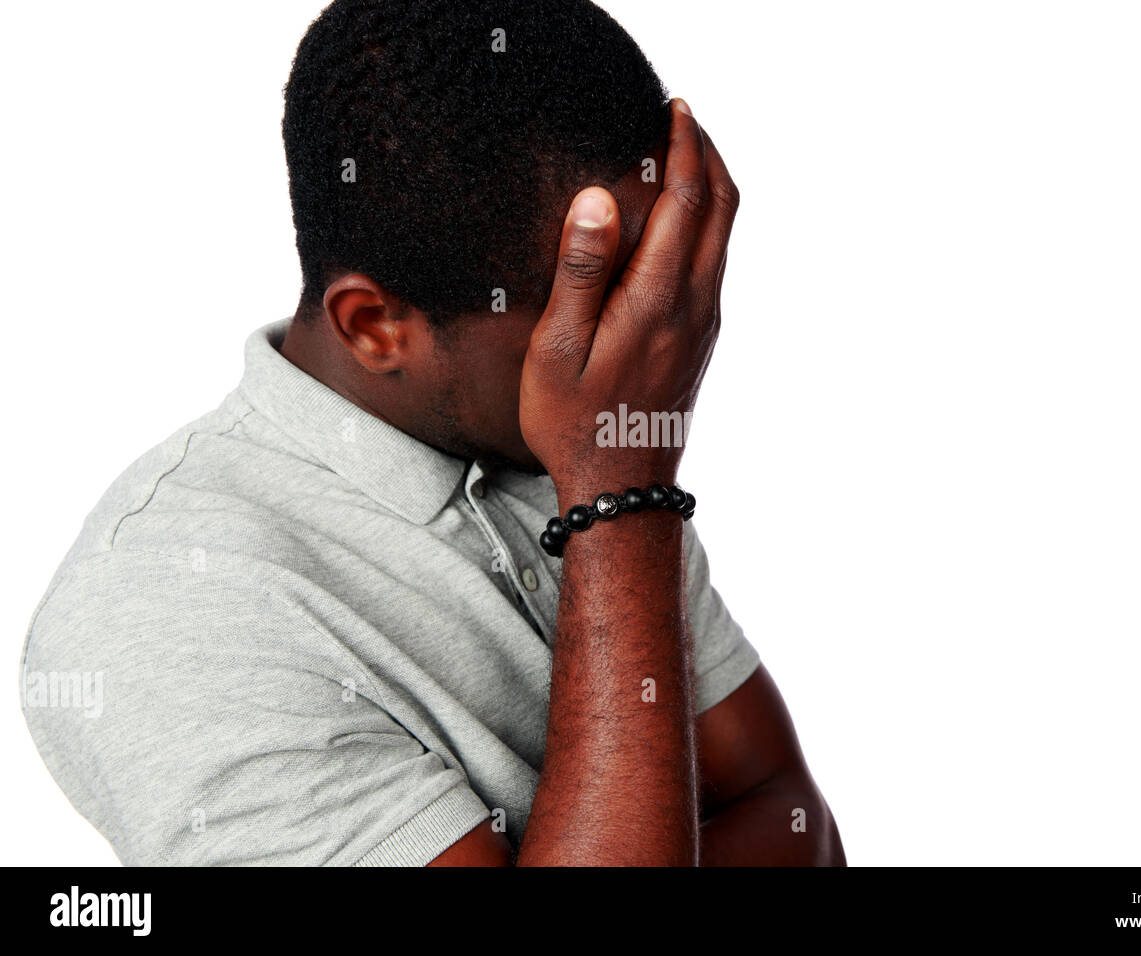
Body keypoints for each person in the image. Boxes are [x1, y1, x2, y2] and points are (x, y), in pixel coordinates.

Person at [21, 0, 845, 866]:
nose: (651, 344)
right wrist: (616, 497)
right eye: (589, 306)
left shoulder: (546, 445)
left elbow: (792, 815)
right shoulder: (158, 610)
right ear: (374, 325)